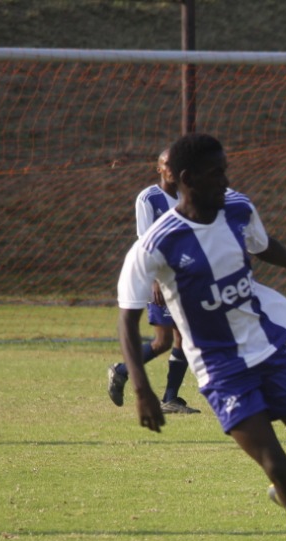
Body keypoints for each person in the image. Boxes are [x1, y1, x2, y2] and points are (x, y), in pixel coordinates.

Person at [115, 133, 286, 541]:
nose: (226, 179)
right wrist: (142, 389)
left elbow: (262, 246)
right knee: (274, 462)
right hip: (220, 370)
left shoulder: (237, 208)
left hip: (267, 351)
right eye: (217, 173)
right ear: (188, 180)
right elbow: (127, 322)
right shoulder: (157, 244)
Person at [107, 148, 200, 414]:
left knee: (182, 337)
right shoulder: (149, 198)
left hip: (183, 277)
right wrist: (155, 281)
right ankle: (121, 370)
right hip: (159, 278)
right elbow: (145, 243)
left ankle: (170, 397)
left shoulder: (187, 196)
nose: (173, 168)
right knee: (163, 342)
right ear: (158, 168)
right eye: (167, 164)